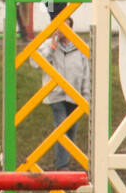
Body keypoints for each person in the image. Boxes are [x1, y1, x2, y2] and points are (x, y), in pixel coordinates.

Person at [31, 30, 89, 170]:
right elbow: (35, 63)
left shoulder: (80, 47)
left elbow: (86, 72)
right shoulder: (48, 45)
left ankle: (64, 161)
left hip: (75, 95)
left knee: (71, 131)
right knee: (61, 127)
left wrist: (86, 95)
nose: (61, 30)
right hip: (56, 95)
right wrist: (52, 47)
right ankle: (62, 166)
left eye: (65, 26)